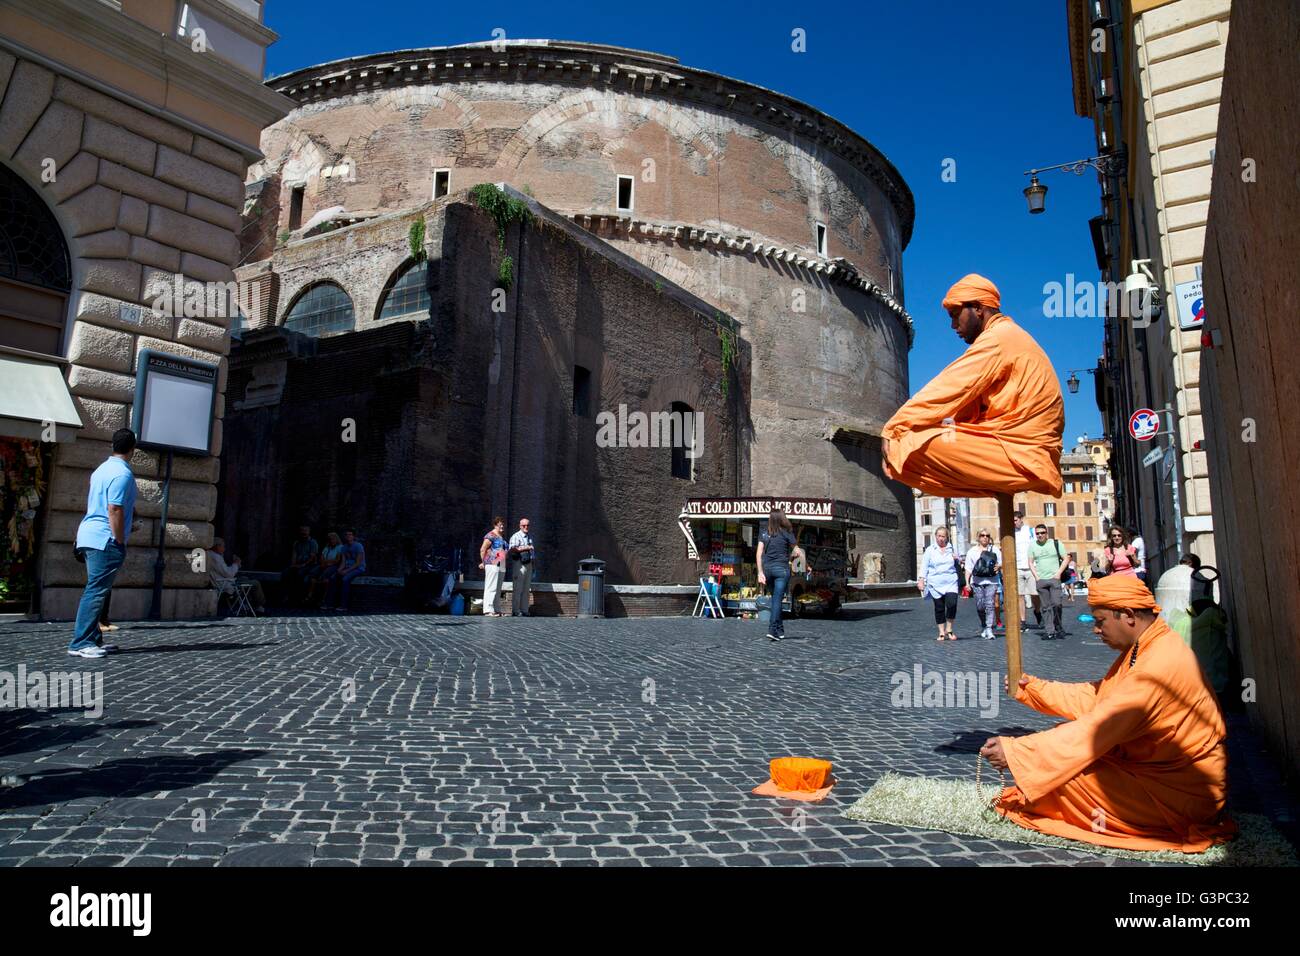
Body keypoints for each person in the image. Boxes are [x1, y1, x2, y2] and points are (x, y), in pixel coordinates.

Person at [978, 574, 1236, 852]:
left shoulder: (1159, 662)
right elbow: (1098, 698)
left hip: (1179, 793)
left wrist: (1017, 752)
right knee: (1055, 766)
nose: (1096, 630)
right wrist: (1034, 690)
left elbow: (1097, 727)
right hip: (1158, 775)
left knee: (1062, 775)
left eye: (1101, 621)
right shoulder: (1148, 645)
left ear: (1127, 615)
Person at [881, 274, 1064, 499]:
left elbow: (950, 388)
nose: (952, 325)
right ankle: (990, 487)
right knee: (932, 435)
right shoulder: (1007, 336)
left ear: (978, 308)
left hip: (1021, 454)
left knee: (906, 442)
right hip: (1018, 449)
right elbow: (963, 407)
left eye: (955, 315)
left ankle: (990, 485)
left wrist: (894, 427)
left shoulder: (999, 338)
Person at [69, 428, 139, 658]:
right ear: (132, 449)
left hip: (89, 535)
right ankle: (81, 643)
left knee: (97, 588)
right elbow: (114, 508)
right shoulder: (123, 474)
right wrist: (119, 539)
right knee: (96, 591)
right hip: (105, 538)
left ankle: (93, 639)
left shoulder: (101, 469)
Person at [756, 509, 804, 642]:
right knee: (777, 600)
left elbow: (759, 553)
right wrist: (791, 555)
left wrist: (760, 572)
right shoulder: (787, 533)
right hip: (781, 570)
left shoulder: (764, 533)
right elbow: (798, 552)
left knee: (774, 599)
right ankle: (772, 629)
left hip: (767, 570)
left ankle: (780, 629)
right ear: (783, 518)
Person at [918, 525, 960, 641]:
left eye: (943, 536)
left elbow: (959, 560)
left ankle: (949, 629)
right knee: (939, 607)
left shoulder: (951, 548)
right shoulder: (930, 550)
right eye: (939, 536)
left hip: (951, 581)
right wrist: (921, 580)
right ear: (935, 537)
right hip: (935, 582)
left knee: (952, 604)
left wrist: (957, 558)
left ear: (947, 537)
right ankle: (942, 632)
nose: (941, 538)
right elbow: (924, 566)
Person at [1028, 524, 1069, 640]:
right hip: (1041, 579)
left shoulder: (1056, 543)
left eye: (1042, 533)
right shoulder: (1032, 546)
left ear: (1047, 533)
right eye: (1037, 533)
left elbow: (1066, 558)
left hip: (1054, 578)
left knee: (1057, 604)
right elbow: (1030, 562)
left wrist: (1058, 573)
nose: (1040, 535)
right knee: (1045, 607)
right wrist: (1036, 577)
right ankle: (1049, 630)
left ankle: (1058, 626)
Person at [207, 537, 267, 613]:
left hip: (224, 581)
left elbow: (224, 571)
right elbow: (229, 574)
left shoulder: (213, 555)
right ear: (217, 546)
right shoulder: (215, 557)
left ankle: (247, 605)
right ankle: (259, 606)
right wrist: (236, 563)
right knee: (255, 583)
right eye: (223, 546)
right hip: (225, 584)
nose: (224, 549)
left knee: (245, 578)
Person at [965, 528, 1001, 640]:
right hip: (977, 582)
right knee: (980, 606)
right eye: (982, 535)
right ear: (978, 537)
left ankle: (989, 628)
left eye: (987, 535)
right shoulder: (972, 551)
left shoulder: (995, 549)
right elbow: (968, 568)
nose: (985, 537)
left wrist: (999, 566)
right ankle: (984, 625)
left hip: (992, 580)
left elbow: (1002, 561)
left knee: (990, 604)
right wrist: (967, 583)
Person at [1014, 513, 1043, 630]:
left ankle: (1037, 611)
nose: (1014, 522)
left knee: (1034, 594)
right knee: (1020, 595)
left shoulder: (1031, 532)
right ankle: (1023, 621)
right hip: (1017, 567)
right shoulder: (1011, 533)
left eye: (1015, 520)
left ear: (1021, 520)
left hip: (1031, 567)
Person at [324, 529, 366, 611]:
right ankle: (329, 604)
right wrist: (339, 570)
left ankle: (344, 606)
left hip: (358, 568)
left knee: (345, 579)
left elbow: (358, 563)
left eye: (350, 534)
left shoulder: (358, 546)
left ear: (353, 536)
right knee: (333, 578)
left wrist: (346, 571)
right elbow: (343, 562)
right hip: (347, 568)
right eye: (347, 535)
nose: (348, 536)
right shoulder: (344, 547)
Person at [282, 525, 319, 605]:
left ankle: (299, 597)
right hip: (298, 564)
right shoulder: (297, 543)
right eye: (302, 530)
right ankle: (287, 595)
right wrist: (293, 564)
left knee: (300, 574)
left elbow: (312, 557)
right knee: (285, 572)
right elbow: (294, 555)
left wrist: (303, 565)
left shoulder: (313, 542)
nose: (303, 532)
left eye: (305, 530)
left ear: (309, 532)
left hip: (309, 565)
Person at [478, 517, 507, 616]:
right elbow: (483, 549)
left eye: (503, 524)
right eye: (500, 524)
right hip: (492, 563)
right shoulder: (490, 535)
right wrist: (483, 562)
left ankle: (496, 609)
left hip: (501, 564)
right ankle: (488, 609)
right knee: (491, 587)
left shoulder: (501, 537)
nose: (502, 526)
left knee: (498, 588)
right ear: (495, 525)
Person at [305, 531, 343, 607]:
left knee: (325, 576)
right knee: (313, 573)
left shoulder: (340, 547)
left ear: (336, 539)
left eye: (333, 539)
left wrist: (327, 563)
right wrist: (324, 563)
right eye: (330, 539)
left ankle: (323, 598)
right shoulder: (327, 547)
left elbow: (337, 560)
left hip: (333, 566)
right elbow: (321, 557)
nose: (331, 540)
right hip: (324, 564)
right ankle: (310, 595)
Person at [508, 517, 535, 617]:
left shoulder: (530, 536)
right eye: (524, 525)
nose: (526, 527)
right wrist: (527, 547)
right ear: (520, 526)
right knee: (518, 588)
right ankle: (516, 610)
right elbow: (512, 548)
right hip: (519, 564)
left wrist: (534, 564)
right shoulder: (516, 536)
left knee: (526, 589)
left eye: (528, 525)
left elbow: (532, 553)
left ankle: (524, 610)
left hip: (529, 564)